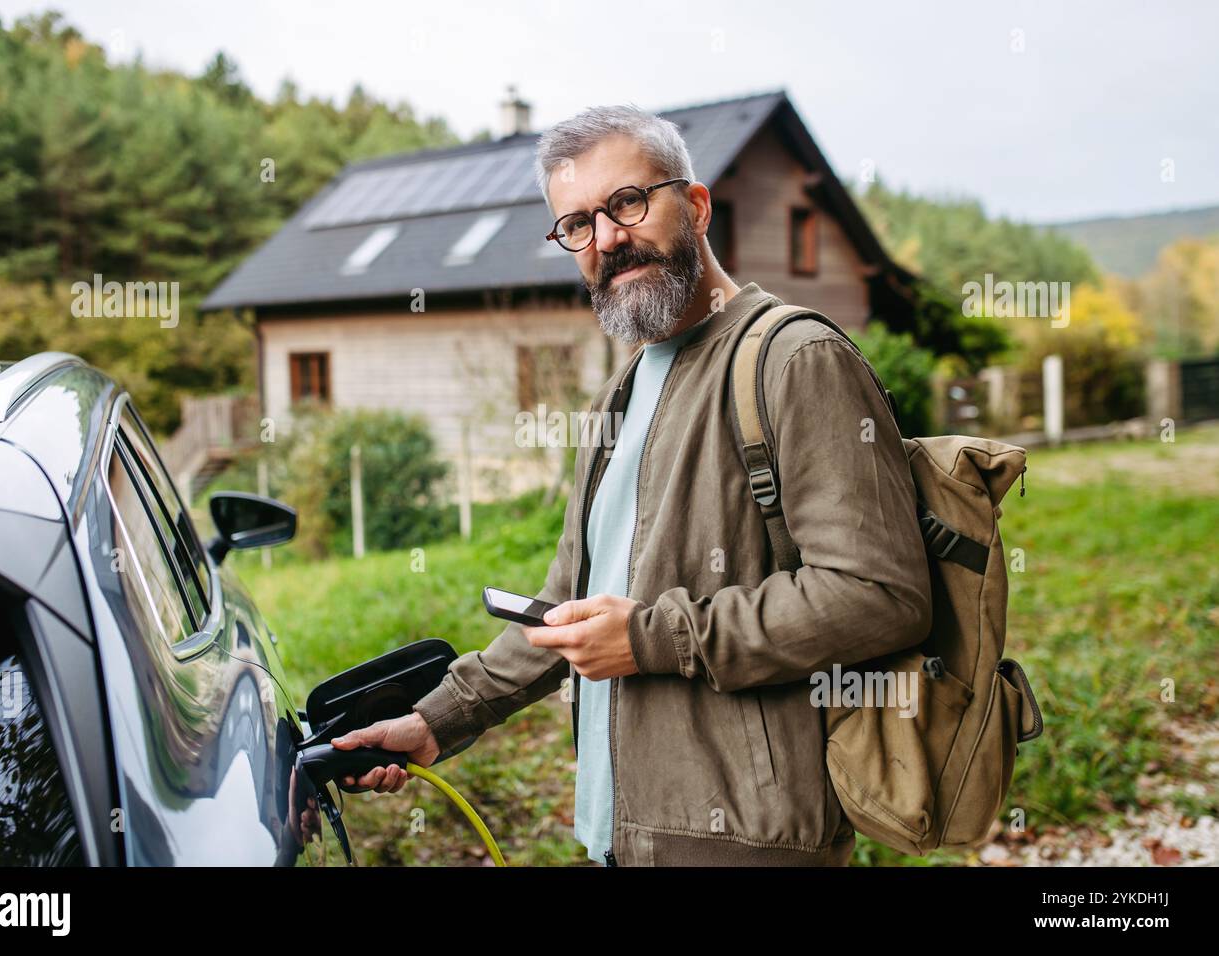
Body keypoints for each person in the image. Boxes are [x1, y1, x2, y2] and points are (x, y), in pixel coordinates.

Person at [331, 103, 931, 866]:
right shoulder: (617, 394)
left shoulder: (794, 360)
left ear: (698, 204)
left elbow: (881, 595)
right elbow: (567, 612)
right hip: (619, 834)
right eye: (578, 224)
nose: (609, 238)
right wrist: (436, 721)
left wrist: (652, 637)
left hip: (744, 841)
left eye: (628, 203)